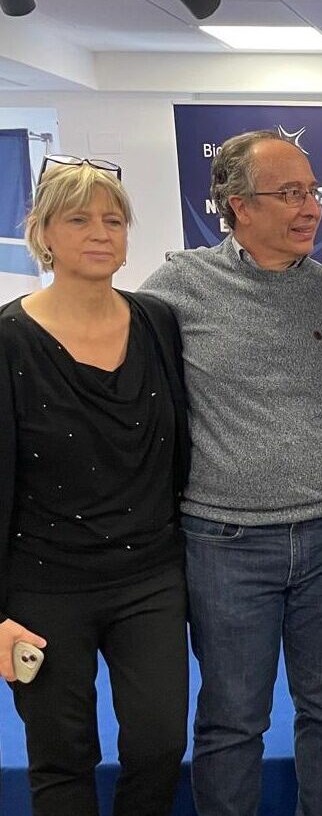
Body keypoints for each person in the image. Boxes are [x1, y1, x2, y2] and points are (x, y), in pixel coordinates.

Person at [140, 130, 322, 816]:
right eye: (291, 194)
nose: (311, 208)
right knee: (231, 716)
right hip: (226, 543)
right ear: (237, 205)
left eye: (314, 191)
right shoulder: (178, 287)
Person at [0, 158, 189, 815]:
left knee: (162, 743)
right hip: (43, 585)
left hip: (151, 577)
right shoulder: (7, 340)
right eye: (78, 218)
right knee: (62, 754)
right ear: (44, 234)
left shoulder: (158, 322)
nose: (100, 232)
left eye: (113, 219)